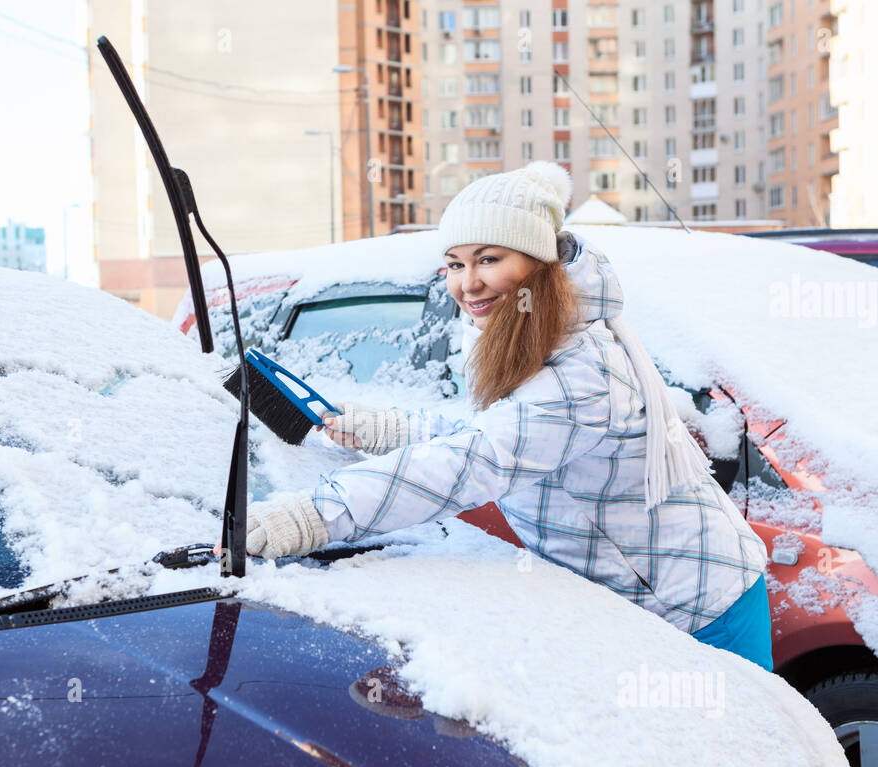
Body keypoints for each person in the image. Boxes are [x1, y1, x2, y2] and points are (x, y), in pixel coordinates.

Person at [225, 161, 772, 671]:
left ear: (539, 263)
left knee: (729, 766)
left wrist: (316, 515)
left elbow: (482, 460)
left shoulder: (583, 370)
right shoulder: (521, 333)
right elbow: (488, 430)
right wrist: (382, 429)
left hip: (697, 603)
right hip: (633, 599)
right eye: (455, 264)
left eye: (489, 259)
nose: (467, 283)